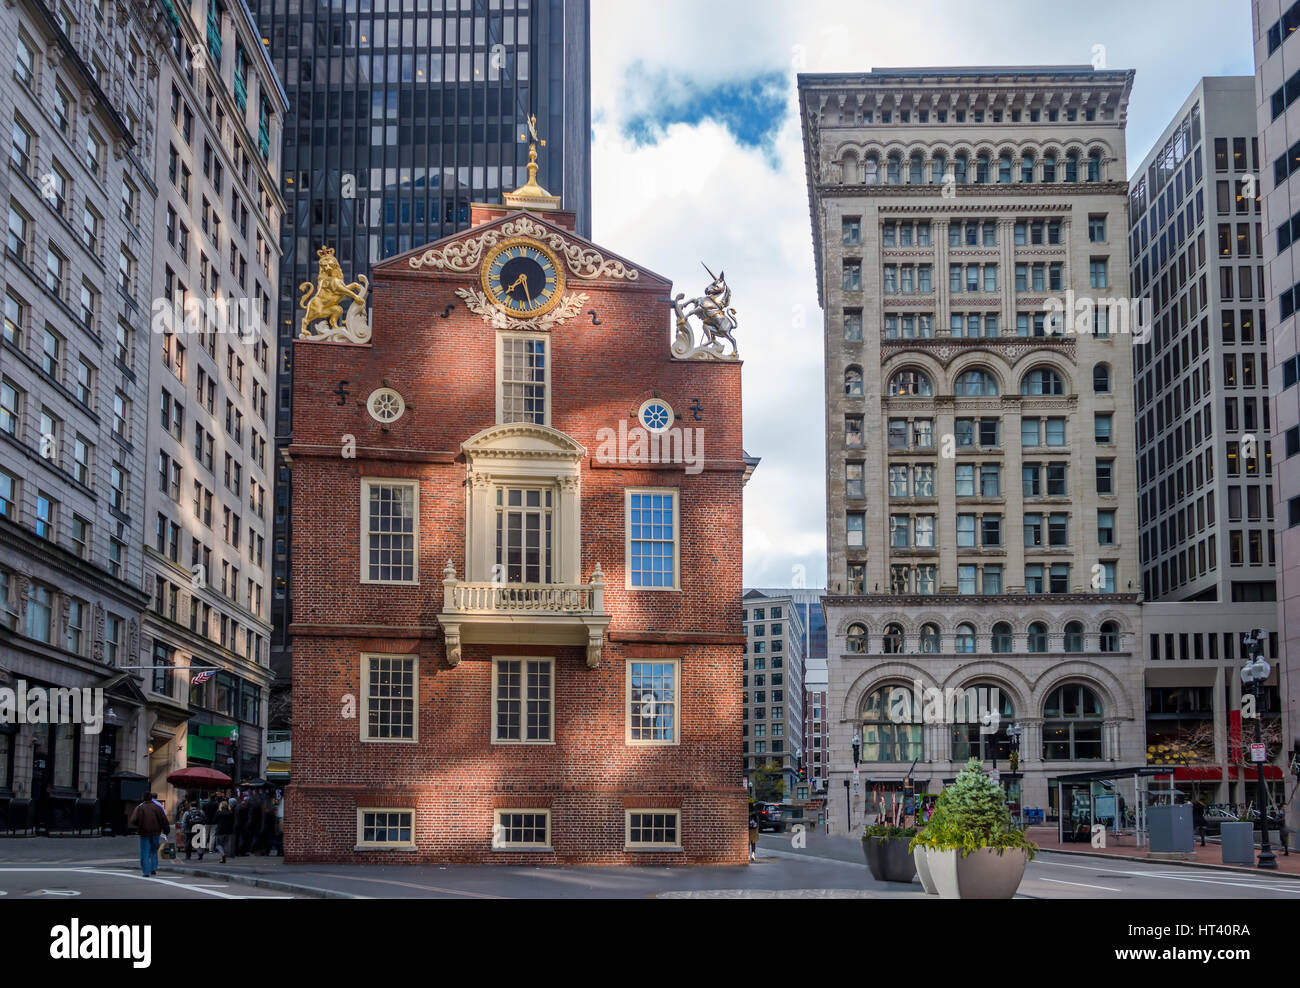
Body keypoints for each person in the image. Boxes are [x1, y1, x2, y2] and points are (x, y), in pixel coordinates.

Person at [127, 792, 169, 877]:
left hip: (144, 832)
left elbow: (133, 820)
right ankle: (153, 868)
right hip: (156, 832)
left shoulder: (140, 808)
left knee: (145, 852)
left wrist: (139, 825)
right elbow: (164, 820)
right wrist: (165, 830)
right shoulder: (157, 808)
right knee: (153, 850)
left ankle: (146, 871)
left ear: (143, 798)